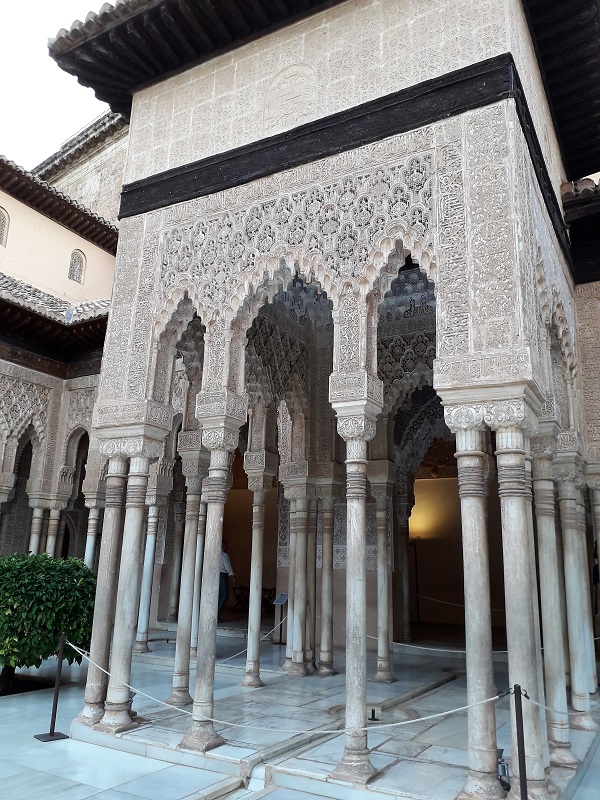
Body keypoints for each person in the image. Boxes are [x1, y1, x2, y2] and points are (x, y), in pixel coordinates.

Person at [218, 541, 235, 622]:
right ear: (223, 546)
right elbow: (228, 566)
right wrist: (232, 576)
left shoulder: (213, 554)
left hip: (213, 575)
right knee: (224, 595)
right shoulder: (224, 555)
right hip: (222, 575)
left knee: (218, 595)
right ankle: (216, 611)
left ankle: (215, 613)